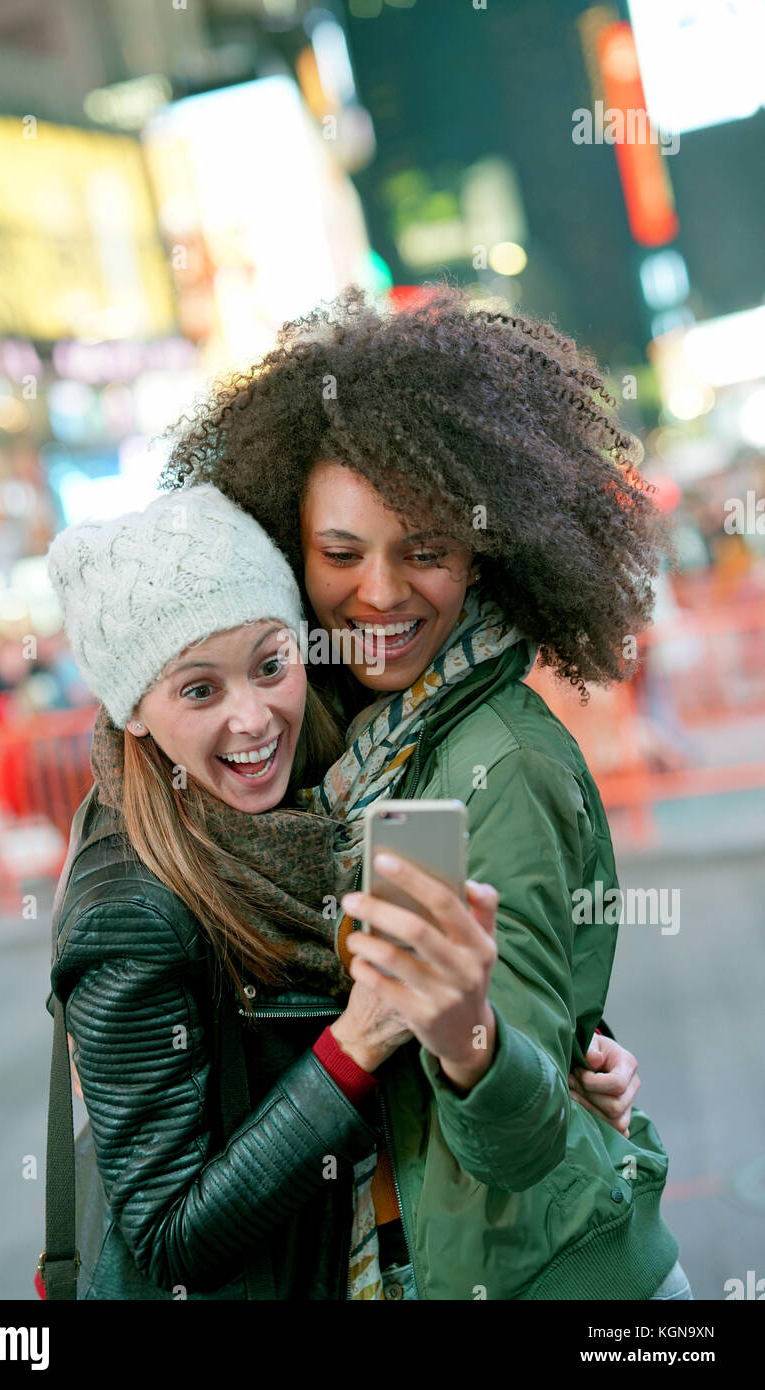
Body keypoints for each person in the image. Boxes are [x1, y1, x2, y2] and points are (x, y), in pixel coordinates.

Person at [155, 283, 691, 1300]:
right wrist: (592, 1041)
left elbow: (517, 1127)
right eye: (342, 554)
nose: (385, 593)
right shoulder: (330, 738)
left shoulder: (506, 763)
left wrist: (475, 1039)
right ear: (287, 548)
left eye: (427, 551)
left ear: (488, 548)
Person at [40, 483, 642, 1302]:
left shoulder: (321, 780)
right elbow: (170, 1237)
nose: (253, 719)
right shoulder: (129, 912)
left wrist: (561, 1047)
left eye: (268, 664)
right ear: (133, 712)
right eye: (198, 689)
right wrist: (354, 1047)